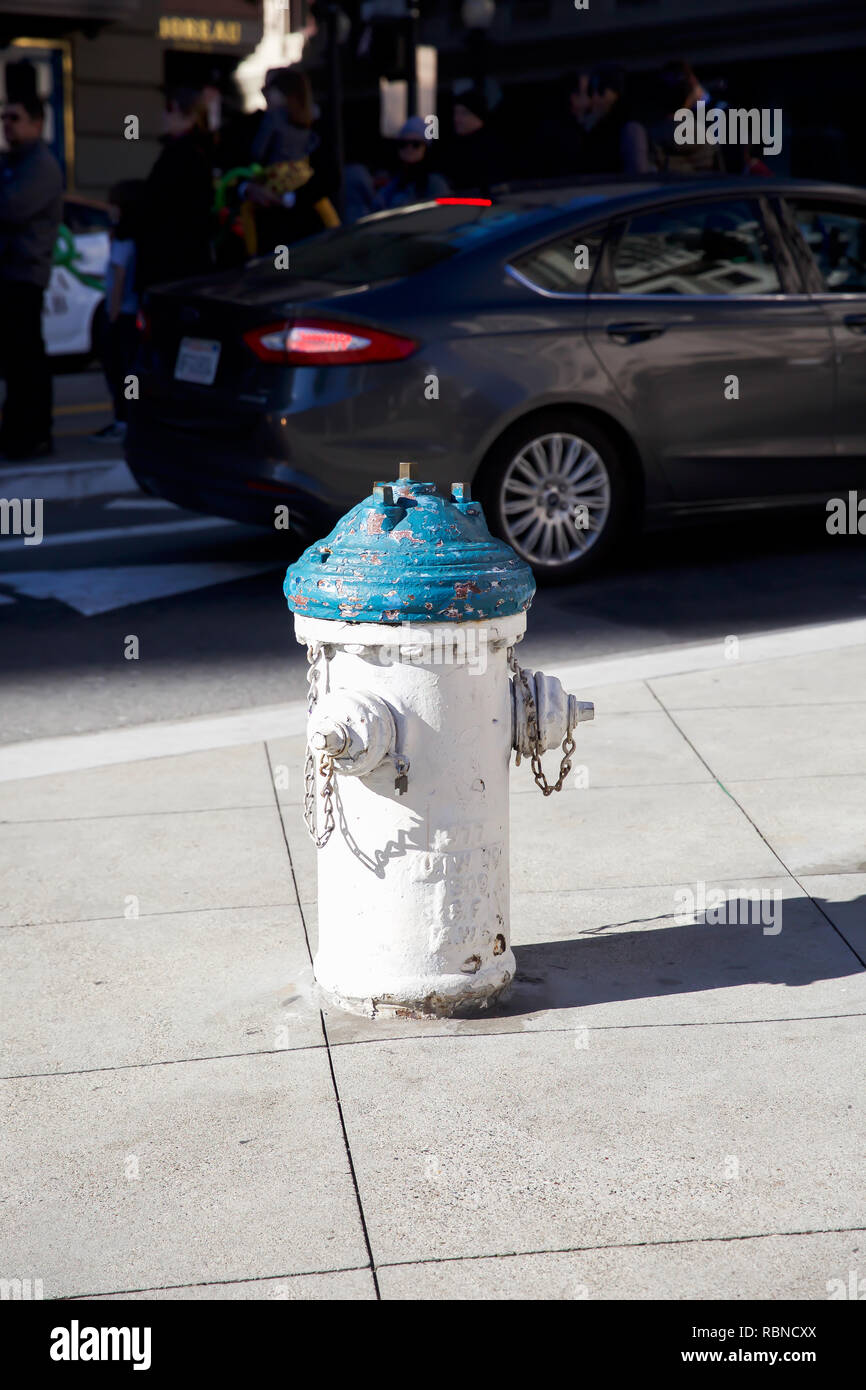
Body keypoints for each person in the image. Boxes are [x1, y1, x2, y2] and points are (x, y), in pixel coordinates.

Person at [0, 94, 63, 461]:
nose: (7, 124)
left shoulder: (41, 165)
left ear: (37, 124)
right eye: (4, 118)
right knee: (14, 361)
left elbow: (11, 207)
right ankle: (17, 430)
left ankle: (34, 433)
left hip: (24, 273)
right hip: (9, 273)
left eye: (15, 117)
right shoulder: (13, 161)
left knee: (27, 359)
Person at [240, 68, 339, 254]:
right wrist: (249, 189)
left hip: (306, 232)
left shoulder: (317, 129)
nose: (265, 93)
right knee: (277, 274)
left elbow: (330, 177)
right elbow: (238, 167)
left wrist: (287, 197)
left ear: (289, 94)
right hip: (268, 231)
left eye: (270, 88)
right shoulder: (254, 124)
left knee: (291, 275)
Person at [135, 87, 214, 293]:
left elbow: (157, 204)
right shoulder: (193, 151)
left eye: (170, 109)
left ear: (186, 114)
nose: (164, 116)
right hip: (180, 263)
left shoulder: (184, 154)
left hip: (172, 266)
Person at [91, 180, 145, 444]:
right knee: (127, 370)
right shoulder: (133, 237)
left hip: (121, 314)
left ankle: (124, 421)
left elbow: (119, 276)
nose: (109, 209)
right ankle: (127, 419)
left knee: (120, 371)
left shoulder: (124, 240)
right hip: (128, 313)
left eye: (113, 204)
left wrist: (111, 314)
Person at [581, 64, 654, 176]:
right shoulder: (597, 127)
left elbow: (637, 177)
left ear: (616, 93)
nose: (594, 98)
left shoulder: (630, 129)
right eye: (592, 92)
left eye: (601, 91)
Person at [376, 117, 449, 211]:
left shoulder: (435, 183)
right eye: (403, 144)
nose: (409, 149)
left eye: (416, 144)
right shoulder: (391, 181)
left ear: (426, 148)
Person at [445, 88, 506, 196]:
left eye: (464, 113)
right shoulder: (452, 148)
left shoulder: (493, 149)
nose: (457, 119)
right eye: (455, 113)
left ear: (478, 115)